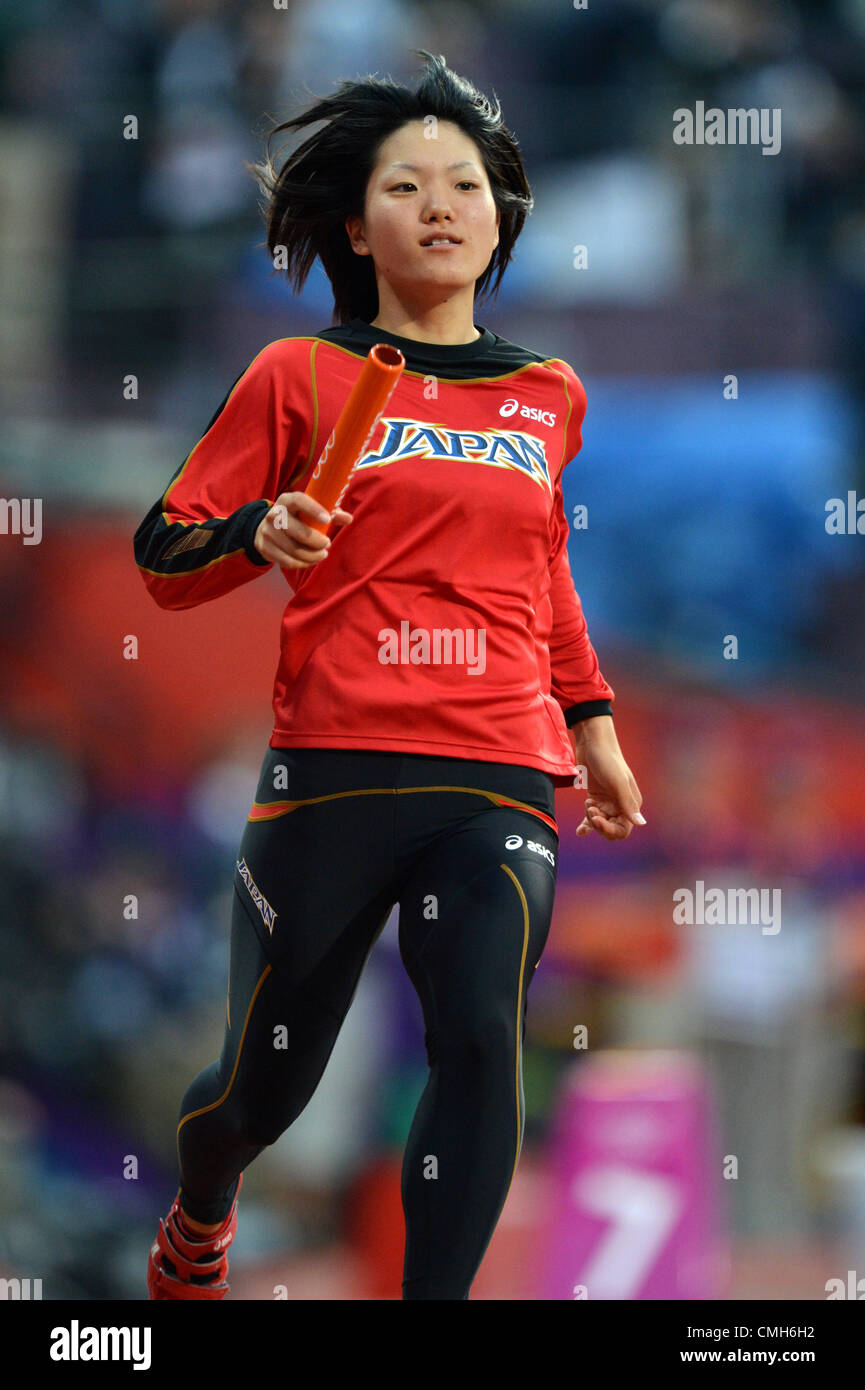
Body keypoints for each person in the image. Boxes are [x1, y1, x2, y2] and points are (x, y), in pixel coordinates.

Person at [134, 49, 644, 1302]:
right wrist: (260, 531)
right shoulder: (296, 377)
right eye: (405, 186)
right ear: (355, 225)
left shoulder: (547, 393)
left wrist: (592, 721)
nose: (438, 205)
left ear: (500, 215)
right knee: (261, 1094)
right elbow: (162, 554)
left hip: (499, 772)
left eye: (463, 183)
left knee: (478, 1033)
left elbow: (543, 572)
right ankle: (205, 1200)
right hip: (333, 773)